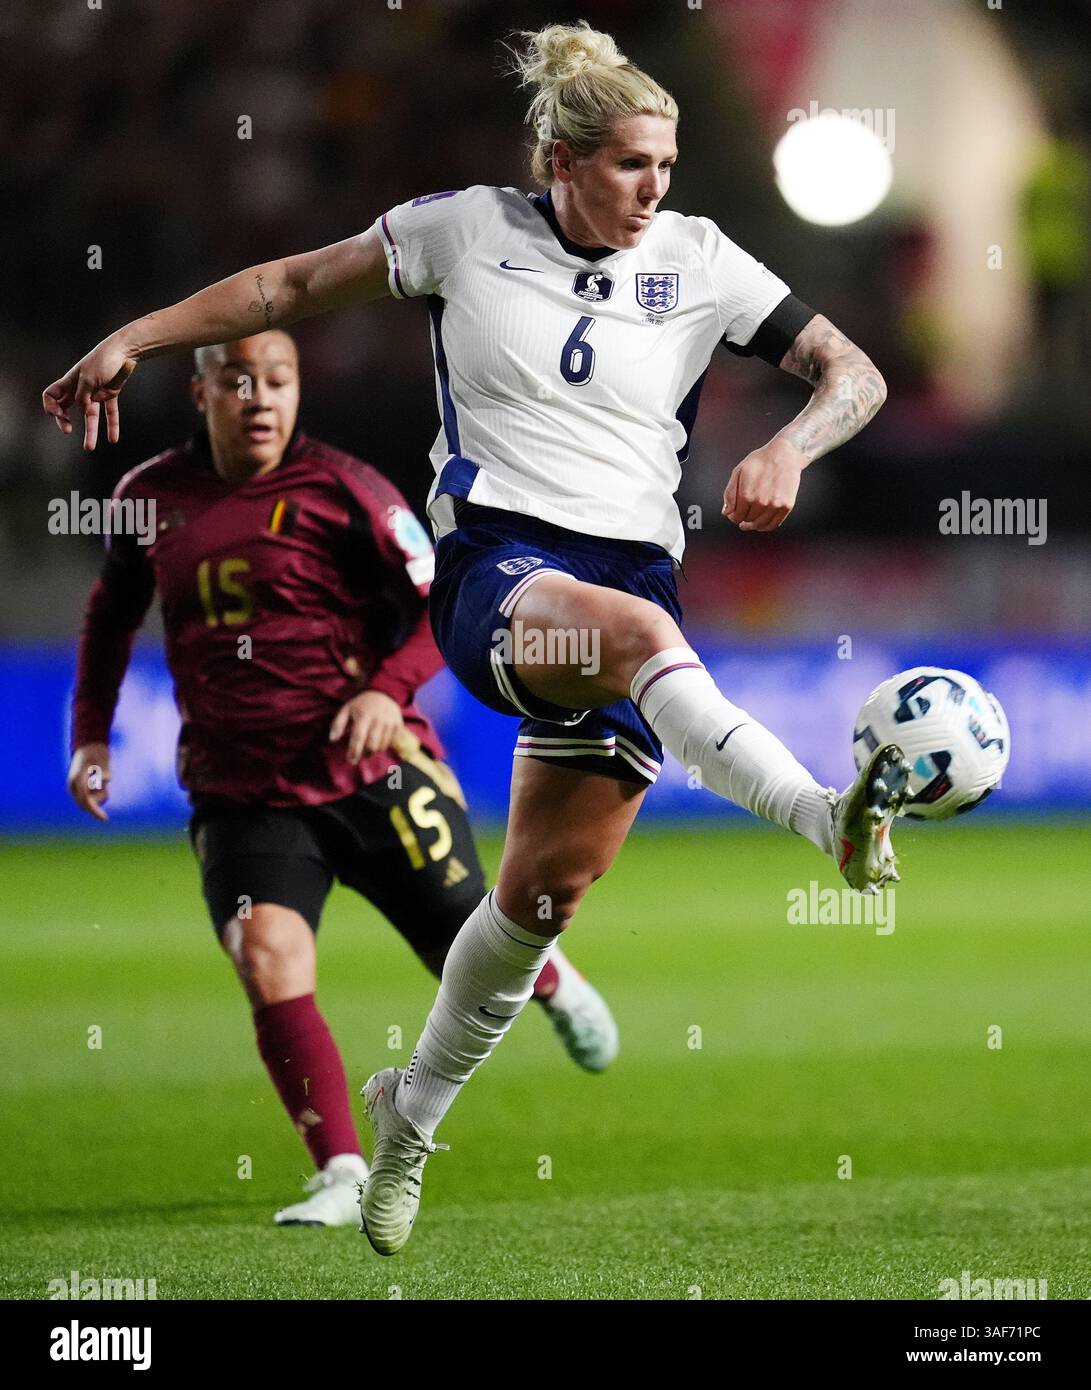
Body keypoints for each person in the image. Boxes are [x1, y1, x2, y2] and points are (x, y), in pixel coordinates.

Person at [43, 20, 911, 1256]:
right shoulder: (462, 231)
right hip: (500, 573)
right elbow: (287, 286)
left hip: (625, 580)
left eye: (666, 164)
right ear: (558, 160)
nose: (654, 187)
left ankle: (406, 1124)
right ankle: (825, 817)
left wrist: (786, 443)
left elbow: (853, 372)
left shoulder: (701, 260)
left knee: (536, 903)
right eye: (627, 164)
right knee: (635, 631)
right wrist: (137, 334)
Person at [65, 329, 619, 1227]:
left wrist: (384, 690)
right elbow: (109, 617)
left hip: (373, 770)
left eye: (278, 380)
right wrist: (90, 735)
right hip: (239, 789)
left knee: (462, 951)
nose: (259, 398)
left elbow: (446, 609)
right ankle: (340, 1170)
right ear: (200, 392)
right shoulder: (149, 498)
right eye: (237, 380)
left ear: (296, 391)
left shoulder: (345, 491)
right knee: (267, 957)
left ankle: (553, 981)